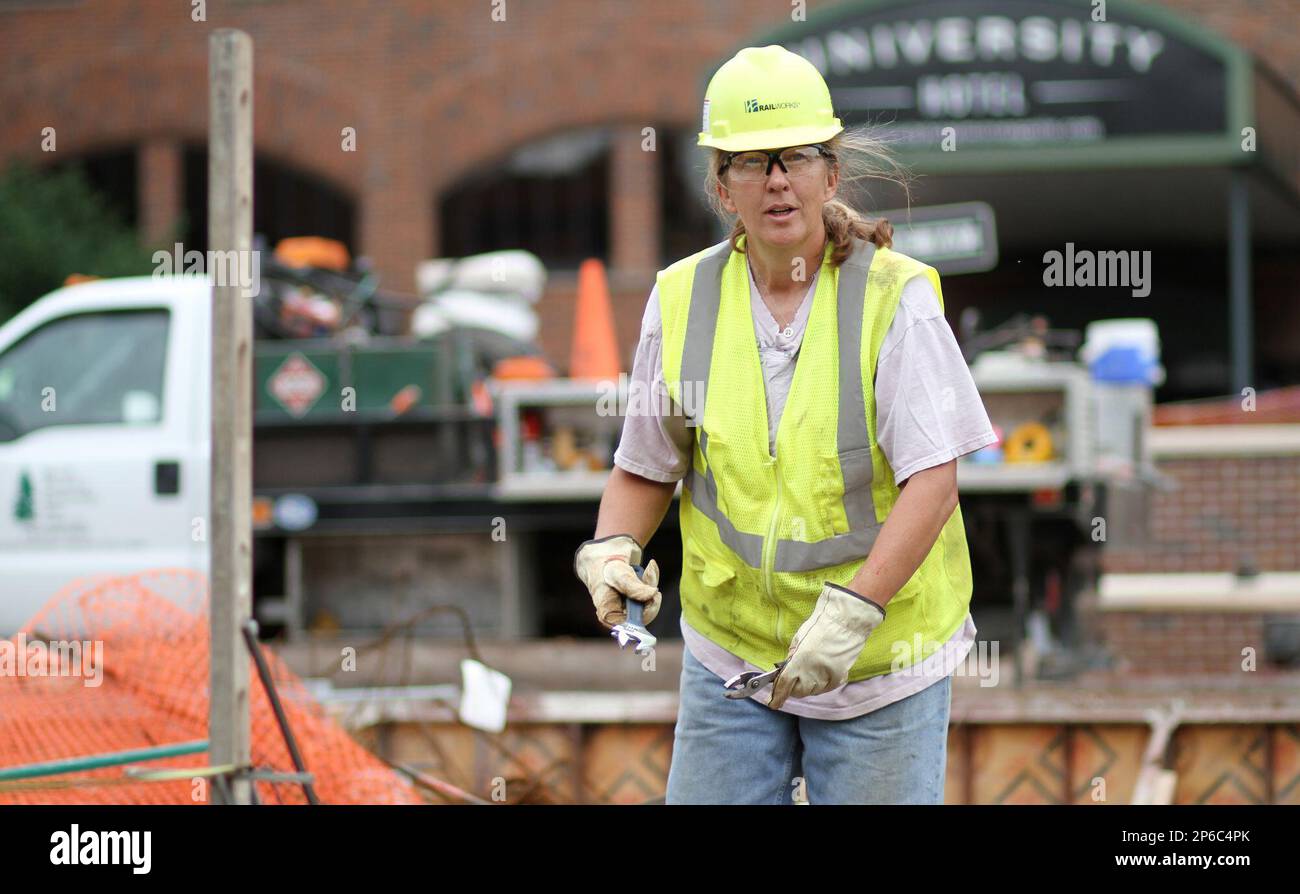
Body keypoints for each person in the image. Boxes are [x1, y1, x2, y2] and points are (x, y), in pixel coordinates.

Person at [574, 45, 997, 805]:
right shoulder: (681, 300)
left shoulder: (894, 300)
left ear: (830, 175)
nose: (776, 179)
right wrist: (612, 548)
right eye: (750, 161)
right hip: (733, 662)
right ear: (720, 185)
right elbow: (645, 466)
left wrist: (854, 614)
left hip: (880, 669)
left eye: (797, 158)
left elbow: (933, 483)